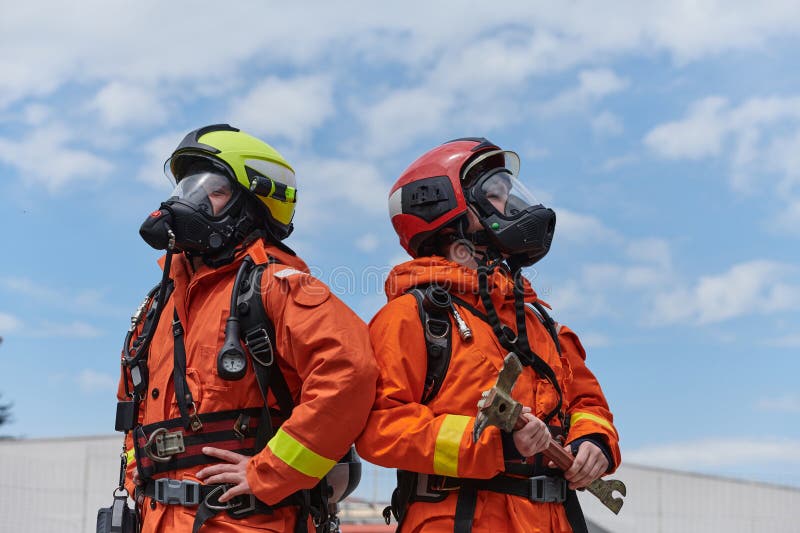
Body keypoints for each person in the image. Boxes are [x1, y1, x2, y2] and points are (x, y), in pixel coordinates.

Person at [116, 124, 378, 532]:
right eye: (187, 188)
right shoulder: (155, 309)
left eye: (212, 190)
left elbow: (351, 373)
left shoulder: (279, 287)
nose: (191, 201)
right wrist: (138, 481)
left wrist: (271, 472)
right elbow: (132, 414)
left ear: (254, 205)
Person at [355, 137, 621, 532]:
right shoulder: (411, 317)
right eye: (495, 194)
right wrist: (492, 443)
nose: (512, 205)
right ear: (446, 210)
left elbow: (587, 404)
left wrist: (593, 443)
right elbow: (380, 429)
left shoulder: (539, 324)